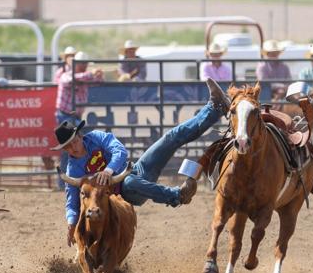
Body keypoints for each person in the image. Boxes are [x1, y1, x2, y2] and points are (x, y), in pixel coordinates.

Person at [55, 79, 231, 246]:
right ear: (64, 150)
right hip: (122, 195)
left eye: (74, 142)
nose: (73, 148)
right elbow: (72, 201)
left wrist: (108, 170)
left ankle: (215, 107)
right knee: (130, 182)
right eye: (68, 147)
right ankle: (178, 196)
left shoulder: (96, 137)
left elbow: (120, 151)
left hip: (134, 170)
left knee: (170, 137)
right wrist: (71, 222)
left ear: (80, 135)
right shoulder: (74, 170)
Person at [54, 50, 104, 189]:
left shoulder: (81, 76)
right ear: (75, 64)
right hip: (65, 116)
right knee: (71, 147)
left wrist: (98, 75)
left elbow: (97, 81)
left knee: (73, 147)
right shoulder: (66, 76)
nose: (84, 65)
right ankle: (66, 181)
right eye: (81, 63)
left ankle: (69, 179)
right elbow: (74, 79)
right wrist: (92, 74)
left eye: (85, 63)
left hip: (73, 117)